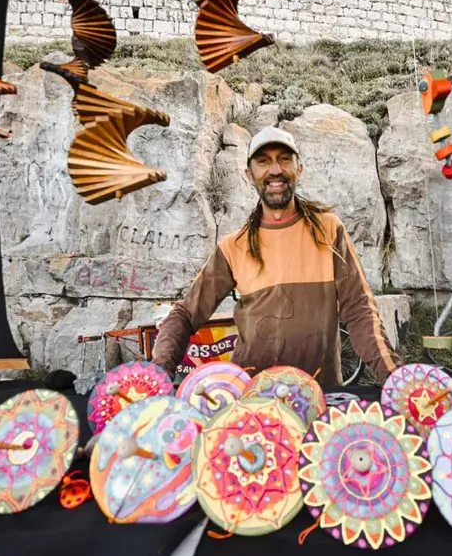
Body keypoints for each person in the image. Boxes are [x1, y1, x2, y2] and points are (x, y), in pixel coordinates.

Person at [152, 126, 403, 387]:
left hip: (320, 395)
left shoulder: (329, 230)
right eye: (263, 161)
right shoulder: (233, 246)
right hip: (253, 399)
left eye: (284, 158)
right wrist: (159, 374)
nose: (275, 170)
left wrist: (394, 376)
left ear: (299, 169)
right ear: (249, 175)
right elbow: (185, 314)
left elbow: (359, 309)